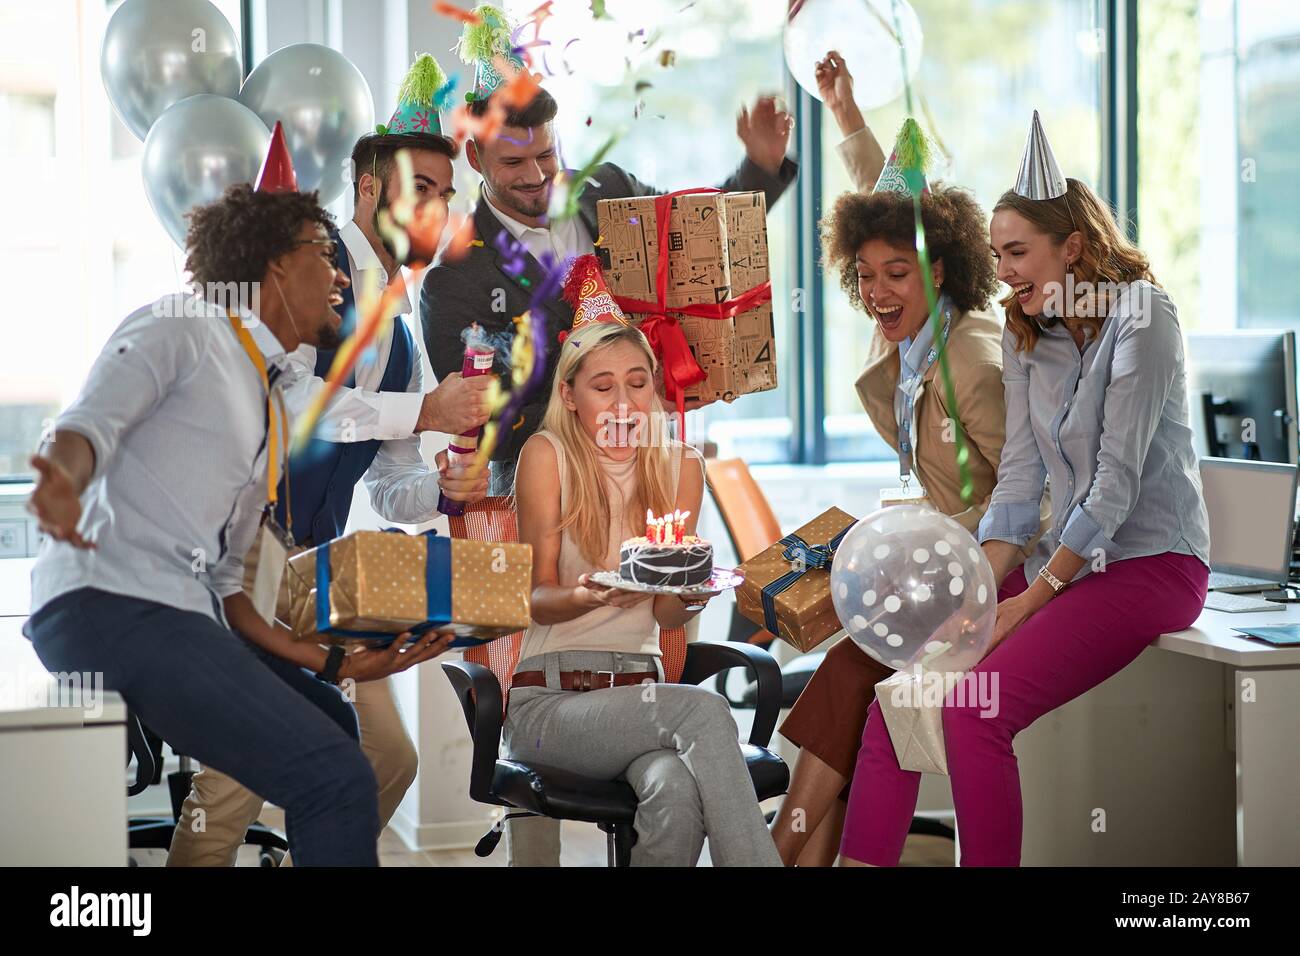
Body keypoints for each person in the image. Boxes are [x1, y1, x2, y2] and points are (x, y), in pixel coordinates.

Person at [25, 179, 451, 867]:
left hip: (183, 612)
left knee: (335, 723)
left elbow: (229, 593)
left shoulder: (272, 397)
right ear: (276, 266)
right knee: (335, 778)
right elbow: (86, 427)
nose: (341, 273)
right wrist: (64, 484)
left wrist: (339, 662)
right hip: (107, 602)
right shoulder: (181, 324)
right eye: (323, 253)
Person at [838, 112, 1211, 867]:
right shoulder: (1024, 330)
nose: (1003, 271)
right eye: (997, 254)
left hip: (1148, 566)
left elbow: (1113, 485)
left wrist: (1023, 602)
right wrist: (970, 591)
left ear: (1073, 247)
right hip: (1059, 568)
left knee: (978, 713)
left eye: (1018, 253)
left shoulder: (1142, 317)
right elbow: (1018, 483)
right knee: (897, 700)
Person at [166, 58, 491, 866]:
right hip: (240, 561)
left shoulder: (402, 329)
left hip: (321, 573)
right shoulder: (303, 278)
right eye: (424, 188)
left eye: (448, 192)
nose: (439, 208)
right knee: (228, 794)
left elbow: (387, 480)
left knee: (388, 758)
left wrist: (447, 488)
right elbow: (296, 402)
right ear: (373, 191)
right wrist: (423, 409)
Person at [773, 109, 1043, 865]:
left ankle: (772, 853)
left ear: (941, 272)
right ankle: (785, 856)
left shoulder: (971, 360)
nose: (879, 293)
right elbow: (881, 211)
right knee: (844, 678)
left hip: (998, 573)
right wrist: (848, 113)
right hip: (940, 568)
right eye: (865, 277)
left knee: (852, 675)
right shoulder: (908, 340)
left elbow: (1033, 494)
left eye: (899, 274)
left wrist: (931, 540)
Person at [421, 3, 798, 498]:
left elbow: (689, 241)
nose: (535, 178)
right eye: (513, 162)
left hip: (649, 467)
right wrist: (608, 410)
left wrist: (759, 168)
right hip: (539, 488)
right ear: (474, 155)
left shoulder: (608, 188)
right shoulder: (453, 278)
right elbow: (484, 421)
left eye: (546, 156)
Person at [507, 283, 781, 867]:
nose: (625, 403)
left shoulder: (681, 466)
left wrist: (689, 596)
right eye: (603, 388)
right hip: (552, 703)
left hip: (643, 697)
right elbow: (534, 599)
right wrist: (587, 594)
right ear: (570, 395)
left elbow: (664, 613)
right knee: (705, 709)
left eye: (638, 383)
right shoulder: (547, 455)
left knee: (676, 793)